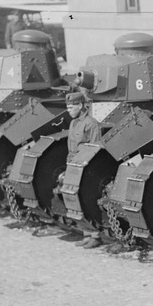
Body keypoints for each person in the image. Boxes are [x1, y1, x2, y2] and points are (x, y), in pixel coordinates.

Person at [64, 91, 104, 248]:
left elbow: (95, 148)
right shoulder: (73, 123)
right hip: (73, 164)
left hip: (85, 168)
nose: (68, 110)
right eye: (67, 107)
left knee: (86, 200)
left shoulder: (91, 124)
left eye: (70, 107)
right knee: (74, 199)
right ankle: (86, 233)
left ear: (80, 106)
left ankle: (95, 236)